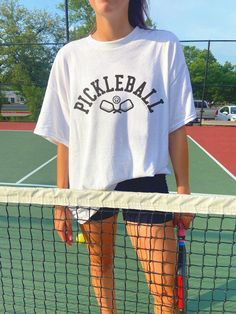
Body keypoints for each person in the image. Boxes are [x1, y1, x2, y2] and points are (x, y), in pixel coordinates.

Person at [34, 0, 196, 313]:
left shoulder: (163, 46)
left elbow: (176, 126)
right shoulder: (70, 57)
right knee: (101, 266)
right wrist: (60, 201)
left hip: (146, 178)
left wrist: (183, 191)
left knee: (164, 288)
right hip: (88, 183)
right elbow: (64, 137)